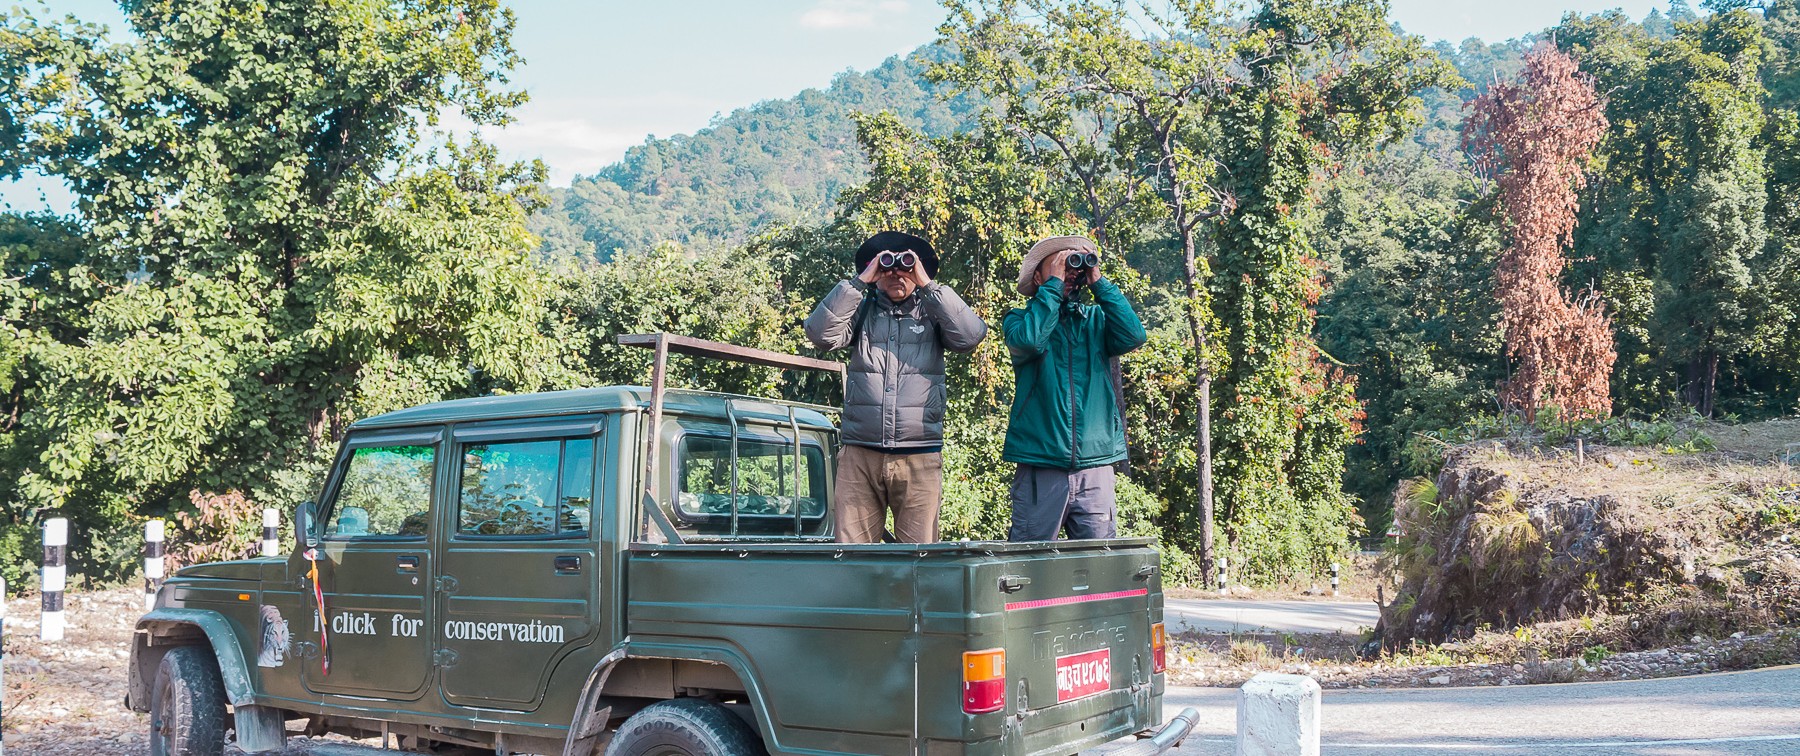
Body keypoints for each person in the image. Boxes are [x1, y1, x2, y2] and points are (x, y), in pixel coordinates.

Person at [804, 231, 988, 543]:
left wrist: (927, 283)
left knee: (919, 560)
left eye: (906, 267)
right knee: (852, 556)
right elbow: (820, 334)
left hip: (919, 455)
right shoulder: (861, 310)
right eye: (887, 266)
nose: (896, 274)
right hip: (860, 453)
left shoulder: (932, 312)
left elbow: (970, 336)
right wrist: (860, 281)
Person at [1002, 235, 1147, 541]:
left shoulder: (1095, 320)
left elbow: (1134, 335)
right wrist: (1054, 286)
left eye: (1073, 268)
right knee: (1032, 560)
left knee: (1098, 562)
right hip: (1040, 462)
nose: (1068, 273)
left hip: (1095, 464)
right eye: (1058, 266)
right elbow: (1030, 341)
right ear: (1037, 278)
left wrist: (1099, 282)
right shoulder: (1019, 320)